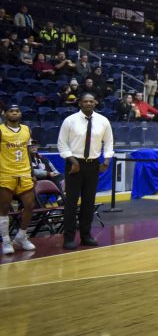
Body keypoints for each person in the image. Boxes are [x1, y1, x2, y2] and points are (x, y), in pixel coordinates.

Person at [56, 93, 114, 250]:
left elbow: (109, 143)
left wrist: (106, 161)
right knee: (71, 203)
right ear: (80, 103)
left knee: (89, 202)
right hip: (74, 164)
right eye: (85, 101)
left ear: (95, 102)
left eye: (91, 101)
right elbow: (62, 144)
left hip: (93, 165)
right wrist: (72, 161)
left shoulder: (103, 121)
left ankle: (86, 235)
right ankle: (68, 238)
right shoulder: (70, 120)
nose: (89, 103)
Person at [0, 105, 36, 255]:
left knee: (29, 205)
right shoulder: (1, 130)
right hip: (6, 172)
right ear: (5, 114)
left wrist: (32, 170)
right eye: (11, 111)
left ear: (20, 114)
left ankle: (21, 236)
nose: (14, 113)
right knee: (4, 208)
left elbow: (28, 152)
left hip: (24, 172)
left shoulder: (27, 129)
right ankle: (6, 241)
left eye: (17, 111)